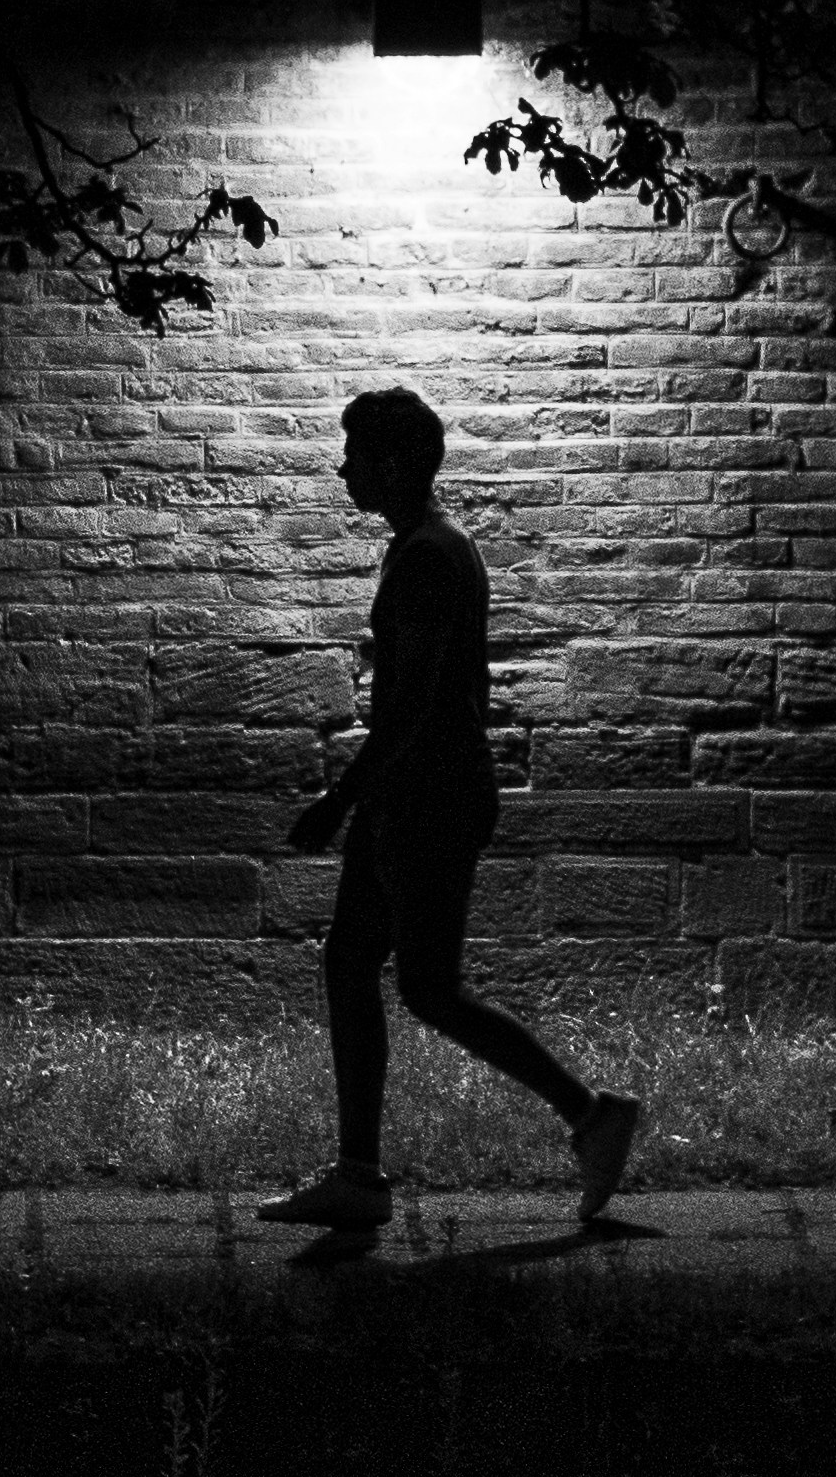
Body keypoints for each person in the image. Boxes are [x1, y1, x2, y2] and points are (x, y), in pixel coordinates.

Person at [258, 388, 640, 1234]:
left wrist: (337, 798)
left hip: (428, 796)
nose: (342, 467)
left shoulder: (431, 555)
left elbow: (415, 706)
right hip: (414, 792)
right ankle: (358, 1173)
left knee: (428, 987)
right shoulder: (428, 547)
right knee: (353, 962)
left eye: (354, 452)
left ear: (391, 463)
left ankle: (589, 1112)